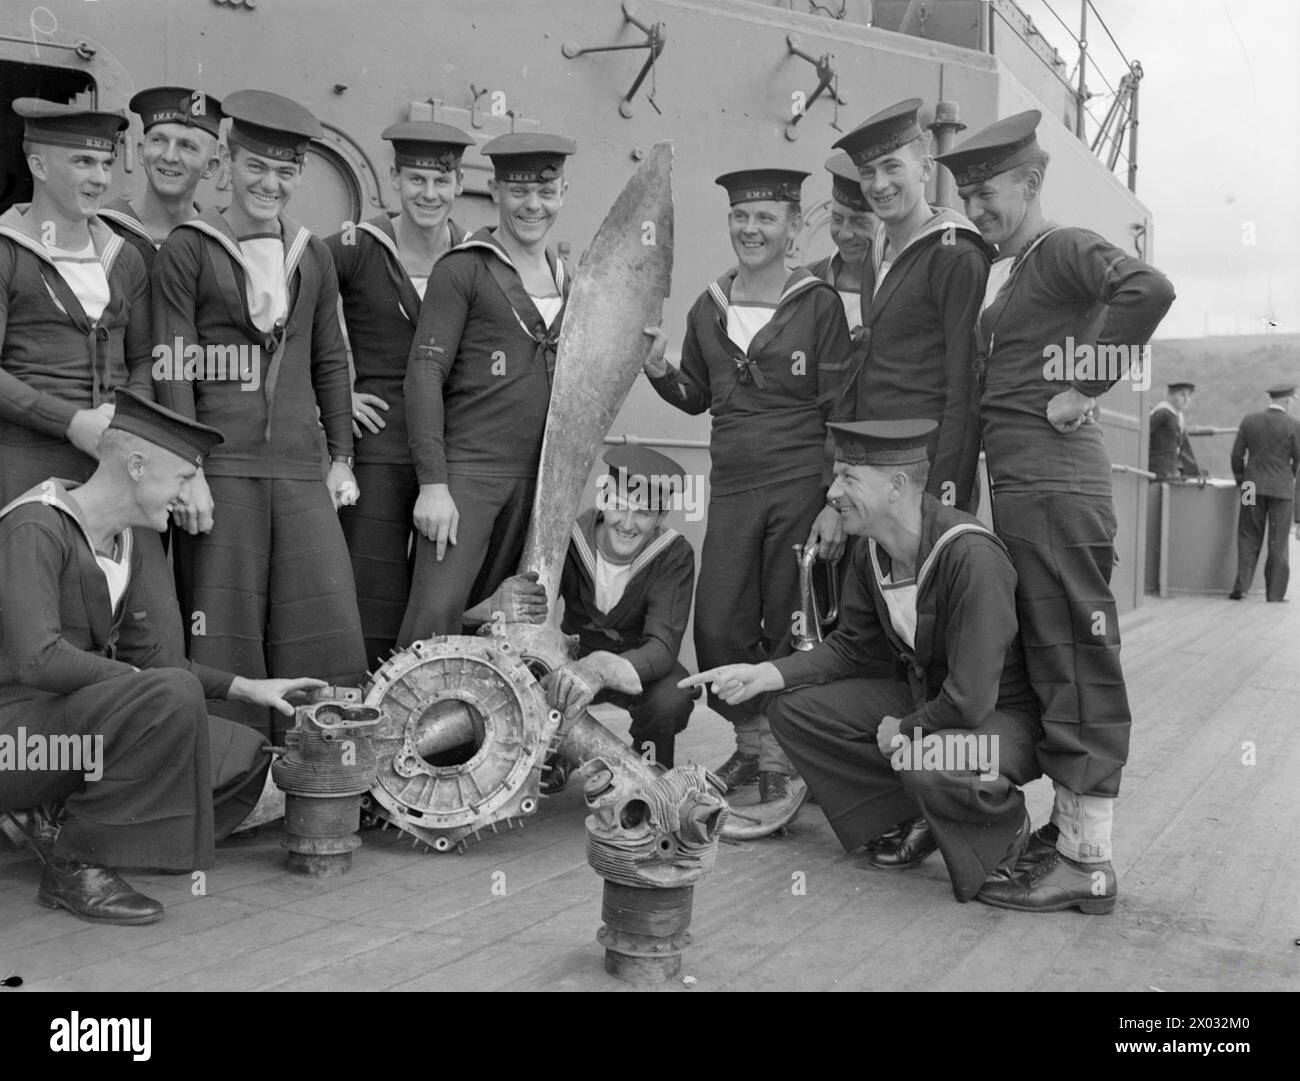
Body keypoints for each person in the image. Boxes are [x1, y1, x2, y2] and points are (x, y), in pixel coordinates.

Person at [938, 109, 1175, 912]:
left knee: (1077, 663)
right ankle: (1070, 831)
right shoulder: (1016, 267)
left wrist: (1086, 388)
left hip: (1058, 492)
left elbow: (1151, 287)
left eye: (990, 191)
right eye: (967, 194)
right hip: (1026, 495)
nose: (978, 207)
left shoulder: (1064, 247)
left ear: (1033, 183)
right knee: (1051, 661)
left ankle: (1089, 860)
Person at [681, 420, 1046, 905]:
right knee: (792, 710)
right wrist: (765, 675)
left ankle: (1002, 828)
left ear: (896, 486)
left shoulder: (969, 555)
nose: (833, 493)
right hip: (935, 706)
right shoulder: (870, 551)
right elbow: (851, 646)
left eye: (849, 478)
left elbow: (973, 699)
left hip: (1000, 722)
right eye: (836, 477)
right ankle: (908, 815)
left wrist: (905, 730)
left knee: (925, 758)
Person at [0, 389, 323, 926]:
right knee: (170, 698)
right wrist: (136, 684)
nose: (188, 494)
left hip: (69, 731)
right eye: (183, 477)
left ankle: (52, 816)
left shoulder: (123, 541)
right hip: (17, 743)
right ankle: (74, 860)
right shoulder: (35, 524)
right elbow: (38, 659)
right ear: (136, 465)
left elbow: (154, 661)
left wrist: (247, 687)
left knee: (241, 756)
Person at [152, 89, 365, 741]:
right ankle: (227, 781)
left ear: (300, 175)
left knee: (325, 625)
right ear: (227, 164)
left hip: (302, 472)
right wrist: (187, 466)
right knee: (224, 635)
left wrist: (340, 459)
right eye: (256, 166)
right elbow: (172, 363)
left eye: (285, 170)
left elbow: (329, 360)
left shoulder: (315, 254)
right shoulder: (189, 248)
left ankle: (324, 775)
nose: (270, 183)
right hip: (224, 467)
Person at [643, 167, 852, 804]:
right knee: (719, 625)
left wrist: (835, 500)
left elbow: (839, 409)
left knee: (794, 624)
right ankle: (752, 743)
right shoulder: (707, 306)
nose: (750, 229)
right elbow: (698, 396)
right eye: (740, 217)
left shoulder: (820, 304)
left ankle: (780, 756)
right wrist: (658, 370)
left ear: (792, 226)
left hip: (799, 488)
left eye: (765, 218)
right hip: (733, 488)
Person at [0, 98, 184, 657]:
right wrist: (71, 421)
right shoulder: (7, 251)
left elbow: (147, 362)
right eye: (82, 163)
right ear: (37, 166)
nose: (99, 178)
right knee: (39, 642)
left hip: (118, 475)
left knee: (155, 641)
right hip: (26, 469)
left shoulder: (125, 258)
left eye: (105, 165)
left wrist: (131, 428)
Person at [399, 132, 577, 644]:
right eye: (519, 192)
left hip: (536, 488)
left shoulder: (571, 282)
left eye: (546, 193)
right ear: (495, 190)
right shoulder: (462, 269)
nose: (533, 205)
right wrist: (434, 485)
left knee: (510, 630)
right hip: (466, 479)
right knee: (433, 619)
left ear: (562, 194)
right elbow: (425, 373)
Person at [326, 120, 474, 664]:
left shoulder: (475, 256)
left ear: (459, 183)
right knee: (370, 593)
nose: (429, 194)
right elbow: (294, 320)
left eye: (441, 180)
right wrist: (334, 401)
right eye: (416, 179)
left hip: (451, 454)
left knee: (439, 602)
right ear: (393, 178)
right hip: (379, 449)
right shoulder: (354, 246)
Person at [813, 99, 989, 533]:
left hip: (919, 479)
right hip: (872, 475)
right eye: (868, 172)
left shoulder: (956, 255)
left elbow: (964, 391)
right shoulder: (880, 253)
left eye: (892, 167)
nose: (879, 183)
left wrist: (942, 501)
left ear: (926, 168)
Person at [541, 446, 696, 789]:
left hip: (637, 661)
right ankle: (558, 753)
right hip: (574, 656)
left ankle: (649, 765)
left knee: (671, 697)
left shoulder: (673, 553)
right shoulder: (571, 536)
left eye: (642, 513)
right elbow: (540, 607)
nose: (627, 524)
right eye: (619, 507)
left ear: (660, 517)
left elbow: (662, 645)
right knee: (534, 673)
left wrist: (605, 668)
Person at [99, 86, 223, 273]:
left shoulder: (217, 243)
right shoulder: (101, 231)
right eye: (159, 140)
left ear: (210, 167)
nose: (170, 156)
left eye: (187, 146)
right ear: (141, 152)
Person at [1229, 384, 1300, 602]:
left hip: (1251, 485)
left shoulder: (1250, 420)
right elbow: (1298, 459)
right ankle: (1275, 594)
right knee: (1278, 540)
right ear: (1288, 401)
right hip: (1282, 488)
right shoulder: (1294, 425)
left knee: (1248, 536)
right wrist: (1289, 475)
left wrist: (1242, 479)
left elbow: (1236, 455)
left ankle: (1241, 587)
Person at [804, 152, 876, 335]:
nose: (844, 234)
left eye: (860, 223)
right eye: (836, 219)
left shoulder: (906, 284)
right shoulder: (808, 280)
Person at [1148, 380, 1204, 481]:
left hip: (1169, 470)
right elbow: (1145, 433)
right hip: (1157, 470)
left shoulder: (1178, 417)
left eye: (1189, 396)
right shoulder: (1162, 413)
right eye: (1182, 395)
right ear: (1170, 396)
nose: (1186, 399)